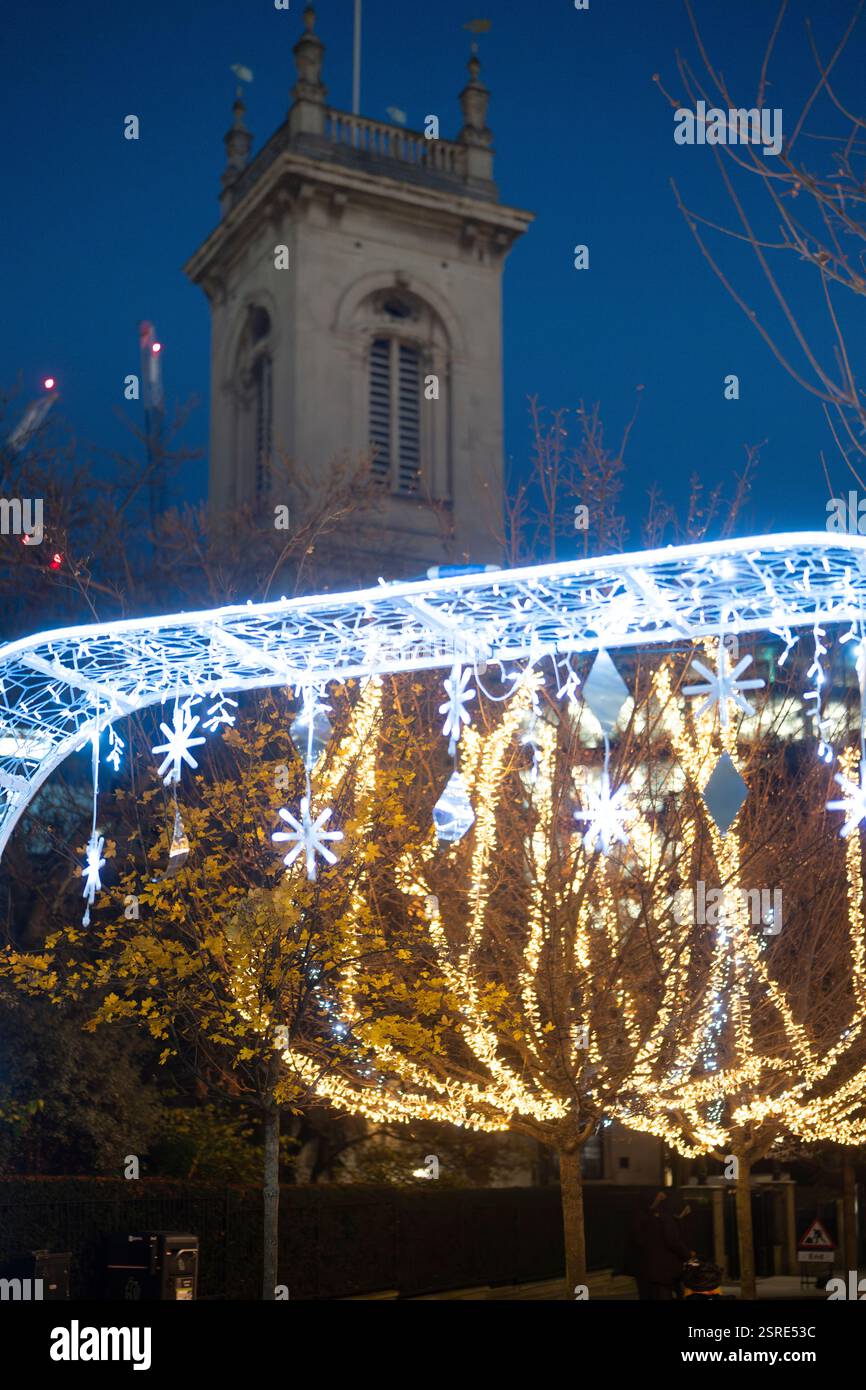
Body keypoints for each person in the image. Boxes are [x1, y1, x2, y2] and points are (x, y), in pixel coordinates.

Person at [633, 1190, 694, 1300]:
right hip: (664, 1268)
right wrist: (688, 1255)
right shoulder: (665, 1218)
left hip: (650, 1267)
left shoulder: (646, 1216)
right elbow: (673, 1241)